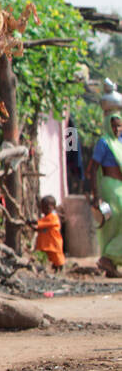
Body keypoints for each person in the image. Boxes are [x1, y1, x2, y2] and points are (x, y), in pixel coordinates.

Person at [85, 113, 122, 277]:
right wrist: (96, 194)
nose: (117, 129)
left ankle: (111, 264)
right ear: (108, 125)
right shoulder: (104, 143)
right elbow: (93, 168)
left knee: (117, 227)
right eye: (114, 126)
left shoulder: (119, 143)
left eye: (120, 126)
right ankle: (108, 257)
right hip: (110, 188)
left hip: (120, 188)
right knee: (112, 226)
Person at [33, 195, 66, 271]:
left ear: (53, 207)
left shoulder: (53, 217)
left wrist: (32, 222)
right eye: (43, 208)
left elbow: (40, 223)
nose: (44, 210)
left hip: (54, 243)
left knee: (57, 258)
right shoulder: (45, 218)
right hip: (46, 244)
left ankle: (60, 269)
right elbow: (40, 227)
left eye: (47, 208)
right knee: (45, 257)